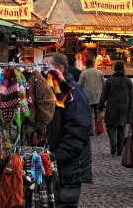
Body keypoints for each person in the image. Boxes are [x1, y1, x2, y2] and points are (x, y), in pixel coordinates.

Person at [46, 53, 92, 208]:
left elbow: (78, 132)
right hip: (57, 165)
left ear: (60, 69)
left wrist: (55, 156)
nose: (42, 72)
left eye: (46, 67)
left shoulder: (73, 93)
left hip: (69, 169)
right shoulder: (52, 91)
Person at [98, 61, 132, 156]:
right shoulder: (128, 81)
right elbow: (132, 95)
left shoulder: (109, 80)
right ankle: (120, 150)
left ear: (115, 69)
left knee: (110, 126)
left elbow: (103, 96)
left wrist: (100, 108)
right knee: (121, 128)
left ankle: (113, 143)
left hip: (111, 107)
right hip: (124, 108)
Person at [78, 58, 104, 136]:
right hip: (98, 96)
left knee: (90, 115)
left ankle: (91, 131)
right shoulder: (100, 72)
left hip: (87, 97)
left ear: (86, 65)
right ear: (93, 64)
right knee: (98, 114)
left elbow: (79, 85)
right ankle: (98, 129)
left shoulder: (84, 73)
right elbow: (103, 84)